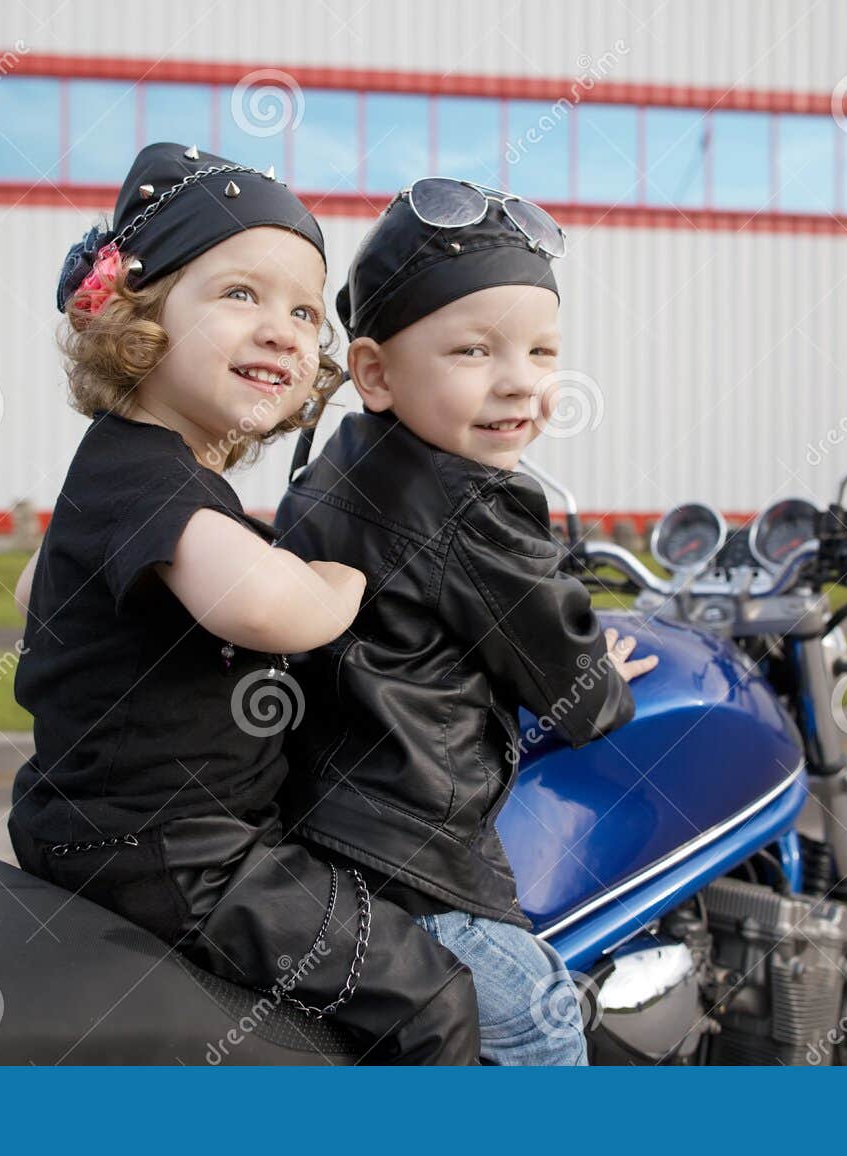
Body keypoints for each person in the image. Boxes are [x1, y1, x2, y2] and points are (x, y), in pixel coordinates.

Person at [8, 145, 480, 1064]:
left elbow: (36, 586)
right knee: (431, 998)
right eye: (240, 295)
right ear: (140, 320)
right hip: (181, 854)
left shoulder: (130, 470)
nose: (282, 329)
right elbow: (273, 611)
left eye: (305, 311)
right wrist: (338, 582)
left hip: (98, 828)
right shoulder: (152, 478)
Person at [274, 179, 657, 1065]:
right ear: (373, 372)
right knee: (538, 1018)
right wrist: (600, 671)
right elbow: (582, 700)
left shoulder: (338, 459)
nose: (520, 380)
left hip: (321, 818)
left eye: (543, 350)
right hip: (409, 852)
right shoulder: (472, 502)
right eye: (475, 351)